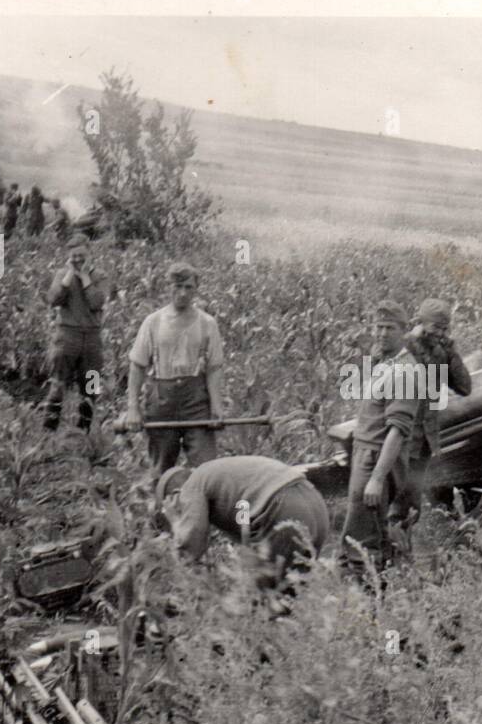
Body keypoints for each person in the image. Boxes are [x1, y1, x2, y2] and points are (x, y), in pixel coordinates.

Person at [156, 456, 329, 587]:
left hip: (284, 507)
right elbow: (246, 529)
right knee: (293, 592)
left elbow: (190, 551)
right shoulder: (221, 478)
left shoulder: (191, 486)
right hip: (315, 504)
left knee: (261, 600)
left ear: (175, 495)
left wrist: (175, 521)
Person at [338, 299, 422, 571]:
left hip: (377, 459)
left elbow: (397, 432)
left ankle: (366, 598)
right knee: (363, 527)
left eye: (390, 328)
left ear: (403, 332)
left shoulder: (406, 372)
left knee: (363, 536)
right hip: (365, 453)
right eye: (378, 327)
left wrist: (376, 478)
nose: (382, 333)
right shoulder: (385, 363)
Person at [125, 262, 225, 477]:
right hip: (162, 399)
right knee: (161, 469)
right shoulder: (153, 322)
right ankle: (160, 508)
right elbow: (138, 365)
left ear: (196, 288)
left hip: (196, 400)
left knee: (206, 470)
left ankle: (203, 509)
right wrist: (132, 408)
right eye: (177, 286)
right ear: (168, 287)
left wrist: (216, 406)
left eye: (189, 287)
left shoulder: (207, 323)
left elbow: (214, 367)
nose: (183, 293)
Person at [397, 298, 472, 532]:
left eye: (444, 328)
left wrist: (451, 352)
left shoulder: (442, 351)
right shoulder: (403, 346)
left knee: (414, 501)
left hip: (426, 437)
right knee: (398, 497)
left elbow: (465, 387)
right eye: (435, 327)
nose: (440, 333)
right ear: (419, 323)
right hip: (401, 434)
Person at [43, 237, 112, 431]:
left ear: (90, 254)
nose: (77, 260)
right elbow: (53, 299)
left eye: (82, 255)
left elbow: (96, 302)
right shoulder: (61, 274)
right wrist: (67, 278)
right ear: (68, 257)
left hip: (92, 339)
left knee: (91, 387)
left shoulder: (101, 276)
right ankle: (48, 431)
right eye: (73, 256)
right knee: (57, 385)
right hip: (66, 337)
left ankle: (83, 432)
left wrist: (85, 278)